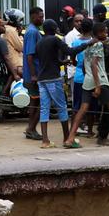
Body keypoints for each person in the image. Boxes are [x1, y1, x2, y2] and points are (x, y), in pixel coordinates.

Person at [68, 20, 109, 147]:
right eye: (104, 31)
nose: (106, 33)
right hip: (99, 80)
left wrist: (89, 77)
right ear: (98, 33)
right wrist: (98, 86)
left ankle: (70, 138)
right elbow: (94, 65)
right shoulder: (99, 45)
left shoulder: (88, 46)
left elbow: (84, 65)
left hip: (87, 81)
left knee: (82, 109)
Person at [34, 19, 70, 148]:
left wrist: (61, 62)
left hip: (42, 79)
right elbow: (69, 51)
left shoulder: (39, 43)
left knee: (44, 108)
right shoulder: (55, 40)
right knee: (62, 107)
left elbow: (47, 61)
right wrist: (88, 44)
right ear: (54, 28)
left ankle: (45, 141)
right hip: (53, 79)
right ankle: (67, 139)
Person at [22, 7, 44, 139]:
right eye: (40, 17)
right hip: (33, 75)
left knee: (35, 103)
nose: (42, 19)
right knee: (41, 103)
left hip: (34, 74)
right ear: (33, 16)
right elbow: (30, 56)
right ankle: (31, 128)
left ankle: (31, 128)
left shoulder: (34, 31)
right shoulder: (32, 32)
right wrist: (34, 74)